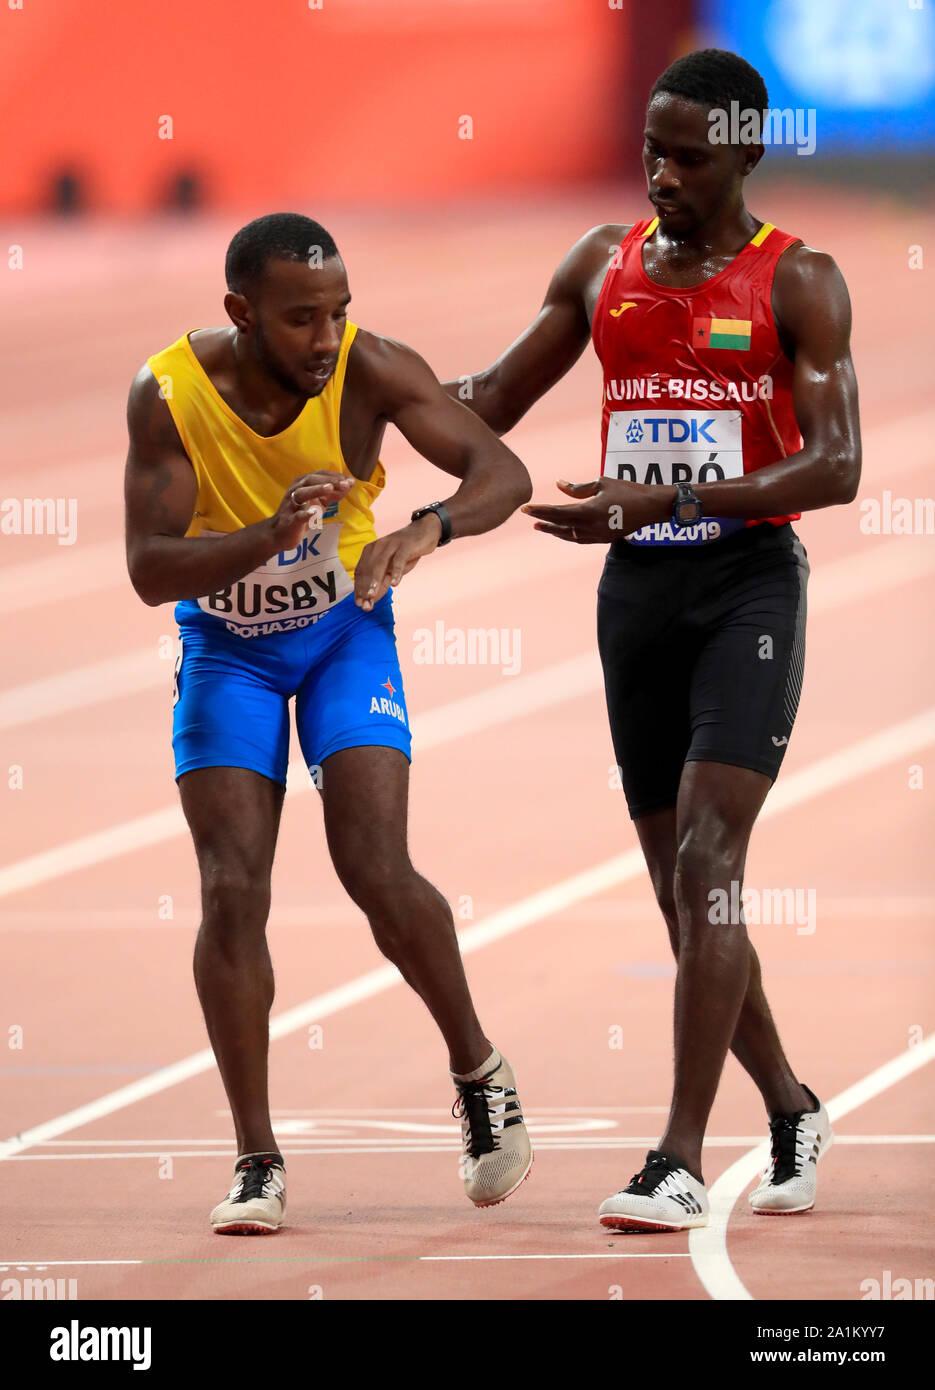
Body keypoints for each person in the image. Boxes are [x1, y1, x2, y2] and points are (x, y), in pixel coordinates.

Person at [445, 49, 860, 1231]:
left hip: (744, 588)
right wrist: (357, 397)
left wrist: (672, 503)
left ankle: (675, 1156)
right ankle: (788, 1102)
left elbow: (835, 467)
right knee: (687, 901)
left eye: (685, 155)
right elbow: (490, 397)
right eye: (649, 150)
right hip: (634, 594)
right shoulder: (599, 264)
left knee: (707, 866)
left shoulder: (800, 281)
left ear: (743, 151)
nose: (660, 175)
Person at [124, 213, 534, 1233]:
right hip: (229, 647)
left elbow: (500, 472)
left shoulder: (370, 371)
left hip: (344, 632)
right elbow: (146, 569)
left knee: (373, 866)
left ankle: (478, 1069)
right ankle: (256, 1157)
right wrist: (263, 536)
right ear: (240, 313)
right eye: (300, 317)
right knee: (230, 886)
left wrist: (424, 528)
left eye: (337, 312)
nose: (324, 337)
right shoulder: (169, 393)